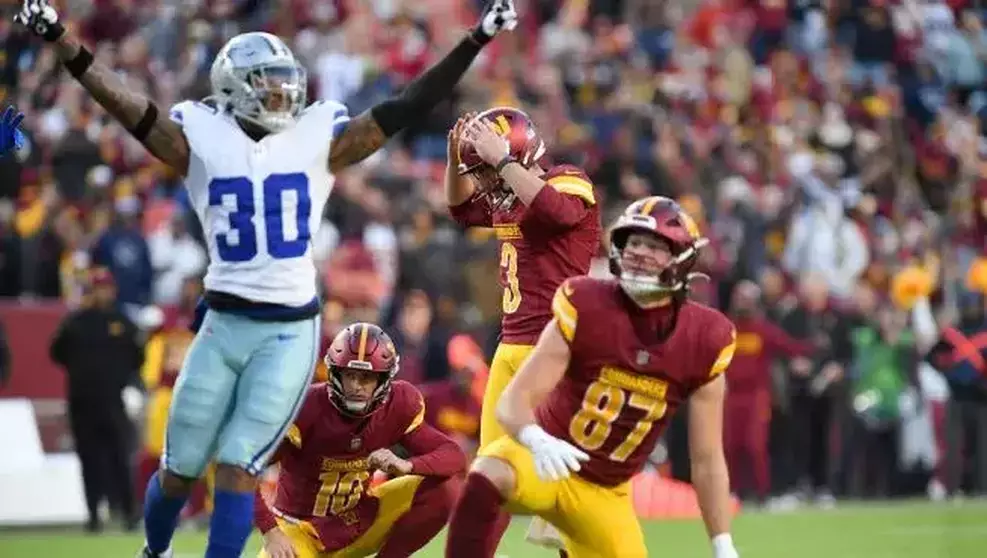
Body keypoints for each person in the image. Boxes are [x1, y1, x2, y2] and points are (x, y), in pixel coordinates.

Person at [15, 1, 516, 556]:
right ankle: (154, 550)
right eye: (267, 83)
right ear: (233, 87)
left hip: (291, 329)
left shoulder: (316, 137)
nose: (281, 94)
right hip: (225, 319)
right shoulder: (199, 135)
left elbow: (404, 105)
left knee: (238, 464)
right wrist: (62, 38)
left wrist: (474, 39)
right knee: (179, 470)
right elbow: (128, 106)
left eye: (285, 82)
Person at [444, 196, 741, 558]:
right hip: (548, 459)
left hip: (605, 491)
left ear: (682, 259)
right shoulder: (586, 303)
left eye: (654, 246)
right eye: (633, 243)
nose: (639, 253)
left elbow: (708, 458)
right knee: (488, 472)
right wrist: (536, 439)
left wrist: (722, 544)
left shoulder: (707, 337)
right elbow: (512, 402)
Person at [445, 107, 603, 552]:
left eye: (488, 167)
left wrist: (504, 162)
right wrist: (454, 158)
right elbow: (459, 209)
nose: (486, 183)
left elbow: (556, 212)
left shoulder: (568, 178)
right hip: (511, 345)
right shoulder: (506, 194)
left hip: (558, 346)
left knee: (564, 480)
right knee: (488, 474)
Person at [254, 323, 466, 558]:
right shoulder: (306, 407)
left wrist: (408, 465)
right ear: (335, 373)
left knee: (445, 488)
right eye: (350, 376)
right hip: (298, 529)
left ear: (384, 379)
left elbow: (452, 454)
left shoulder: (399, 404)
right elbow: (243, 470)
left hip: (358, 519)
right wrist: (270, 531)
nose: (356, 386)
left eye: (366, 377)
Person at [49, 268, 144, 533]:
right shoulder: (75, 322)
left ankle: (128, 512)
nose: (102, 293)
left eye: (105, 288)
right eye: (97, 288)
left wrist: (120, 379)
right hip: (82, 401)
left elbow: (138, 356)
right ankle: (93, 515)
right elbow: (57, 352)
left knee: (119, 457)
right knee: (89, 459)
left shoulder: (122, 322)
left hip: (113, 400)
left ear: (112, 290)